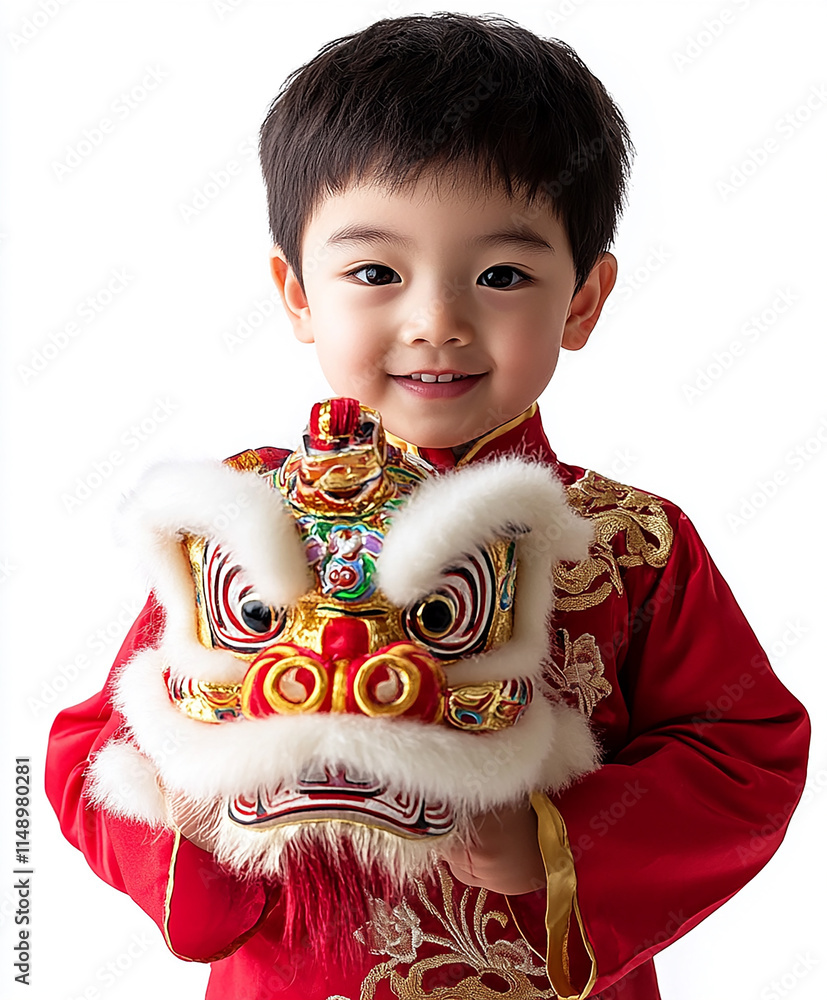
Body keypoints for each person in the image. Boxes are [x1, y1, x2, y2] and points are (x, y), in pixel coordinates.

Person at [45, 12, 810, 999]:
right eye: (373, 272)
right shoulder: (240, 519)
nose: (435, 321)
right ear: (296, 293)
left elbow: (744, 752)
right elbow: (90, 746)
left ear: (580, 298)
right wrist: (203, 813)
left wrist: (553, 838)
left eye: (500, 275)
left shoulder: (625, 543)